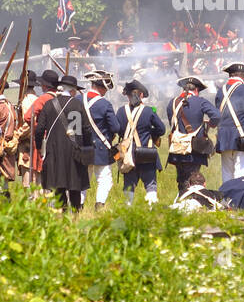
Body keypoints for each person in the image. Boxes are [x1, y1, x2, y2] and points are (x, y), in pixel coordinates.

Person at [34, 73, 92, 210]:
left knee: (59, 184)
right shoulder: (78, 105)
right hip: (75, 150)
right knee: (75, 186)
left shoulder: (49, 105)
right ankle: (76, 213)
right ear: (72, 90)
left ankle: (63, 212)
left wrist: (38, 147)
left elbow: (39, 129)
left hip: (55, 150)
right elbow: (87, 129)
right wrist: (87, 147)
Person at [115, 79, 165, 205]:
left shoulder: (121, 111)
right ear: (141, 95)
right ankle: (152, 210)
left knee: (129, 185)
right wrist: (150, 133)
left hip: (128, 154)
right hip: (146, 152)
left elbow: (118, 130)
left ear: (128, 95)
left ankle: (127, 210)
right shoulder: (149, 111)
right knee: (150, 185)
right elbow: (162, 129)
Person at [166, 76, 220, 192]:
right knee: (193, 178)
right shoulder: (200, 101)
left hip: (177, 146)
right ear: (196, 90)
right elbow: (216, 116)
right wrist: (211, 124)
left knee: (181, 179)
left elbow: (172, 121)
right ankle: (191, 201)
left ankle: (182, 199)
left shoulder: (172, 102)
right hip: (195, 148)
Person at [215, 62, 244, 181]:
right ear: (242, 76)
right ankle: (239, 199)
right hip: (242, 136)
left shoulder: (221, 91)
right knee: (241, 172)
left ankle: (227, 199)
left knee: (227, 173)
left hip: (224, 137)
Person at [82, 70, 120, 208]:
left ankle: (78, 207)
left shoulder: (78, 100)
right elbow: (115, 127)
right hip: (101, 148)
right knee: (104, 179)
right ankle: (99, 206)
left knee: (83, 180)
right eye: (105, 87)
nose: (106, 91)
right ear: (101, 85)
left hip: (82, 147)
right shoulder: (105, 104)